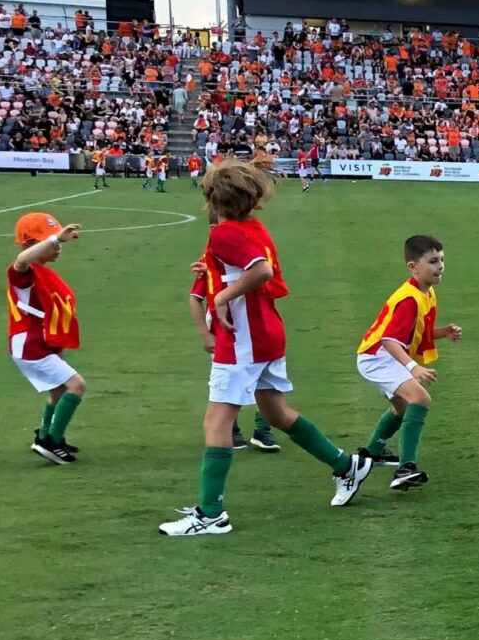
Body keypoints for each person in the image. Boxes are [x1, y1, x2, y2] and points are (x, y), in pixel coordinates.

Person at [157, 160, 372, 537]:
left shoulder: (223, 234)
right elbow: (250, 266)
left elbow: (261, 271)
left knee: (216, 421)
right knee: (276, 412)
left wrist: (222, 294)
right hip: (267, 332)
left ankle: (210, 514)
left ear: (212, 198)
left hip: (244, 339)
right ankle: (346, 466)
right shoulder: (252, 227)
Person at [354, 233, 463, 491]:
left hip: (380, 355)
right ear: (413, 268)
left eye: (442, 260)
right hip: (378, 358)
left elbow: (418, 332)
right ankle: (406, 468)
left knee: (401, 408)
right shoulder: (409, 299)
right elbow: (389, 340)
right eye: (433, 261)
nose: (440, 266)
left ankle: (371, 453)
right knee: (420, 399)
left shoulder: (426, 292)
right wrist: (413, 367)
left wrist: (443, 331)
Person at [7, 213, 87, 464]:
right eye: (50, 243)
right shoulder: (23, 273)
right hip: (30, 345)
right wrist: (55, 238)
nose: (57, 248)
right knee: (76, 386)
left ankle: (45, 435)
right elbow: (20, 261)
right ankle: (51, 442)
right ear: (30, 245)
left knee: (59, 390)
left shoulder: (41, 272)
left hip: (39, 343)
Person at [188, 248, 277, 453]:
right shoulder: (209, 261)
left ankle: (262, 429)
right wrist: (205, 334)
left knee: (261, 381)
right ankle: (231, 430)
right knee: (225, 383)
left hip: (254, 330)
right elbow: (195, 297)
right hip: (224, 334)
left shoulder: (253, 256)